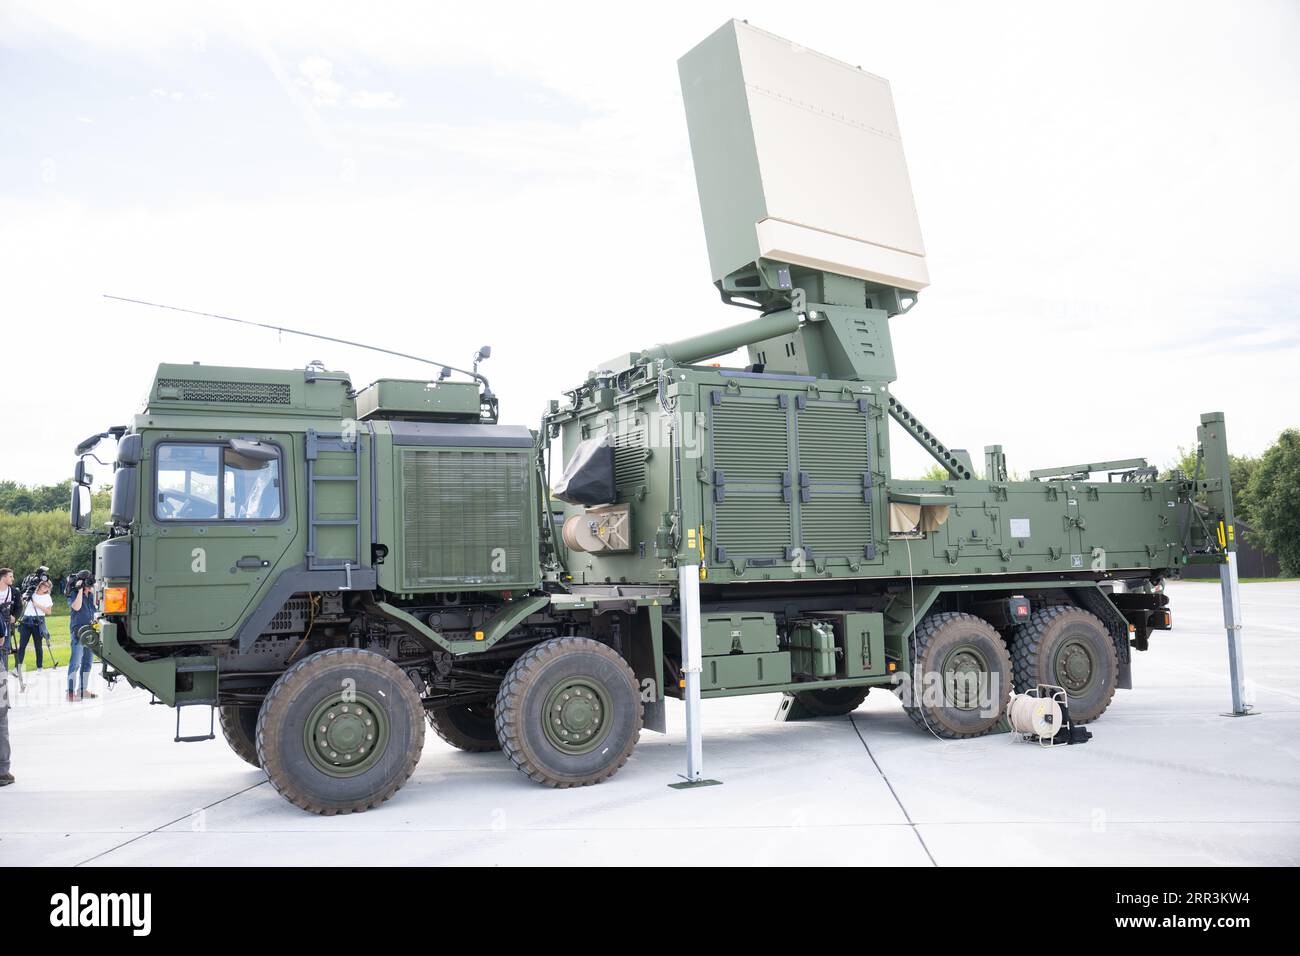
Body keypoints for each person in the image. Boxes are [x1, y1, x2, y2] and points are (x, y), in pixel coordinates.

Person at [66, 576, 98, 701]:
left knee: (87, 663)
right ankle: (70, 692)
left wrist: (93, 591)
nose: (89, 584)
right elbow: (77, 607)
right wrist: (80, 590)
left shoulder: (91, 595)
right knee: (75, 663)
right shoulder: (73, 593)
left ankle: (82, 690)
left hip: (91, 632)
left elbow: (98, 607)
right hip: (78, 633)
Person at [16, 579, 53, 671]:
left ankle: (39, 667)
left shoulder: (47, 597)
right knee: (22, 645)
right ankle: (18, 667)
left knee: (38, 645)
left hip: (38, 621)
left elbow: (49, 612)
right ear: (39, 585)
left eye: (47, 586)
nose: (45, 587)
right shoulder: (30, 593)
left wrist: (38, 605)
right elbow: (21, 603)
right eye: (43, 585)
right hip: (26, 620)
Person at [0, 569, 17, 676]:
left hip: (7, 624)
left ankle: (3, 679)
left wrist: (15, 617)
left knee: (4, 650)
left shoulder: (14, 592)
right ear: (3, 577)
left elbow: (19, 606)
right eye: (10, 576)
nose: (12, 578)